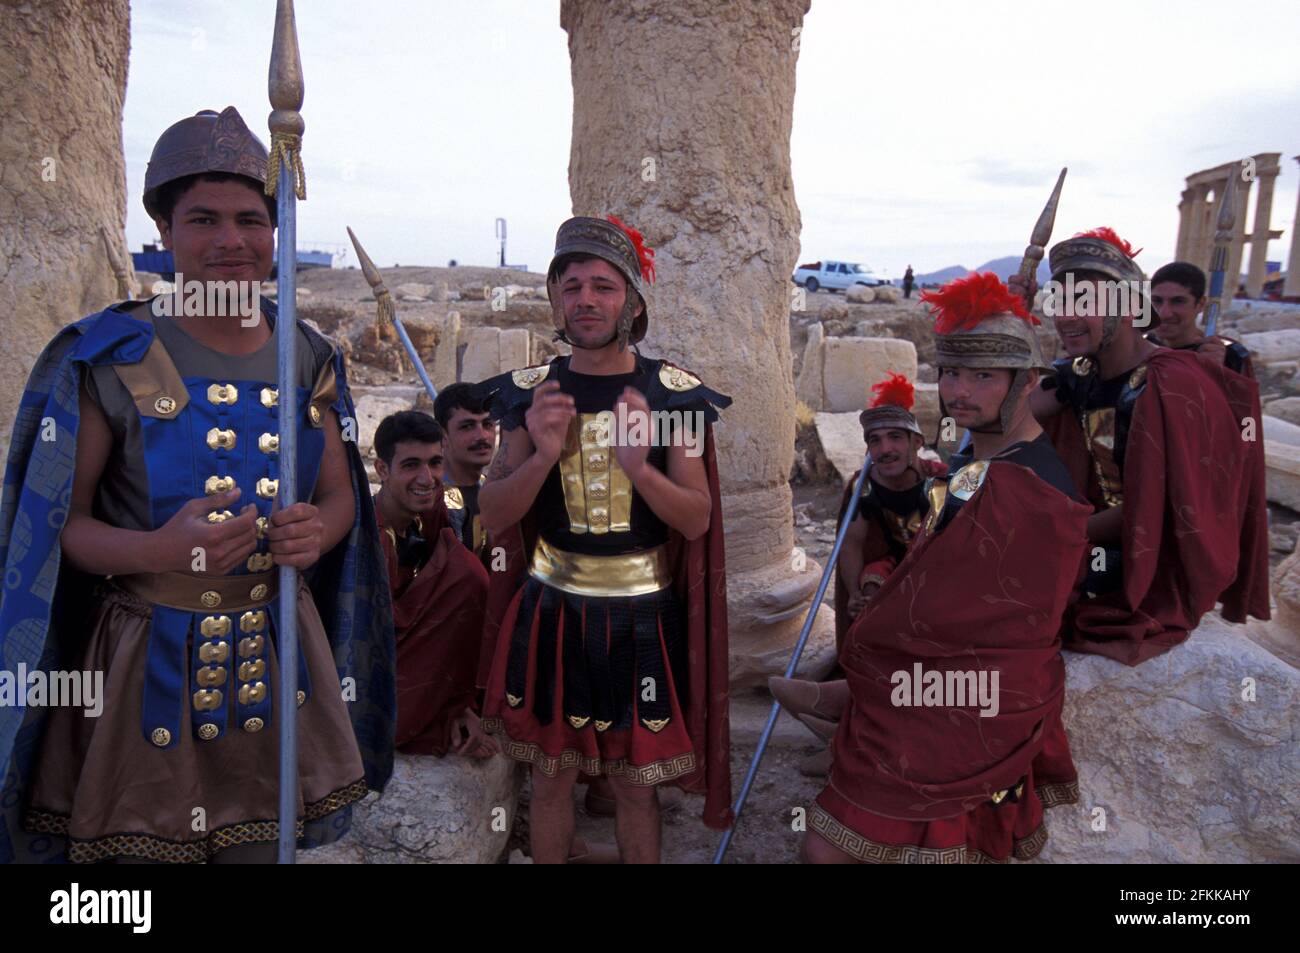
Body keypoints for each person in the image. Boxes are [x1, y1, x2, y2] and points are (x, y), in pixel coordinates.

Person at [0, 107, 394, 863]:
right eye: (204, 219)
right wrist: (158, 546)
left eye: (252, 218)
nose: (231, 240)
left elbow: (342, 493)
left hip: (277, 653)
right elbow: (63, 525)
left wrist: (321, 528)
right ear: (165, 229)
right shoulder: (111, 354)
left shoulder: (308, 354)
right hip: (145, 660)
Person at [804, 272, 1091, 864]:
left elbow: (966, 613)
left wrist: (872, 642)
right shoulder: (977, 463)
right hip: (948, 675)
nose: (959, 390)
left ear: (1026, 384)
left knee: (823, 851)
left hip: (977, 688)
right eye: (952, 372)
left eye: (983, 375)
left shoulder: (1023, 482)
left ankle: (846, 700)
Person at [474, 215, 732, 863]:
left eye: (603, 286)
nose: (585, 298)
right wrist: (540, 456)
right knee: (552, 779)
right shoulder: (529, 395)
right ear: (555, 300)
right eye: (571, 285)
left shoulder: (675, 398)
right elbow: (493, 509)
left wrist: (638, 466)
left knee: (634, 787)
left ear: (633, 303)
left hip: (642, 617)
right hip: (551, 613)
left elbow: (696, 518)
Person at [1019, 228, 1270, 664]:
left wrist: (1056, 532)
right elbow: (1004, 422)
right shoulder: (1080, 374)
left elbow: (1160, 511)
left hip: (1150, 563)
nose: (1067, 316)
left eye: (1088, 302)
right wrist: (1009, 320)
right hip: (1092, 535)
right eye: (1060, 301)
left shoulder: (1172, 382)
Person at [771, 372, 945, 776]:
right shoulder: (864, 486)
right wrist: (855, 594)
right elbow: (852, 544)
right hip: (889, 582)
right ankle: (845, 727)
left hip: (932, 589)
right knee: (870, 623)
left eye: (895, 438)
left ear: (917, 443)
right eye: (875, 441)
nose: (885, 449)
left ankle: (838, 726)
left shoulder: (942, 482)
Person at [372, 410, 496, 759]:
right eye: (411, 465)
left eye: (435, 463)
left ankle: (459, 704)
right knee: (465, 574)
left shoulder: (432, 513)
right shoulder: (369, 537)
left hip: (414, 656)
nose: (427, 478)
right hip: (366, 673)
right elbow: (369, 639)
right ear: (382, 469)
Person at [1145, 261, 1253, 376]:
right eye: (1157, 300)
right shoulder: (1141, 347)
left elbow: (1244, 393)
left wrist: (1217, 373)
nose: (1163, 313)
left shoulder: (1230, 355)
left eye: (1178, 301)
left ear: (1200, 304)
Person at [432, 382, 496, 559]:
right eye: (467, 426)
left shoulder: (494, 492)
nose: (482, 436)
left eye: (488, 424)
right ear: (443, 436)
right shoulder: (431, 502)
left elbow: (502, 563)